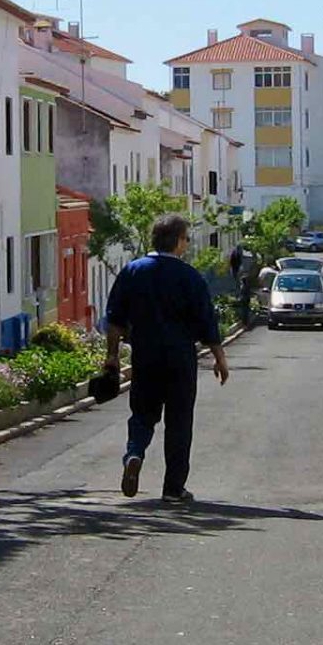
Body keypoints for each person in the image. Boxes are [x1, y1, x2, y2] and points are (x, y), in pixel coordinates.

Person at [102, 213, 230, 503]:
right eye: (186, 238)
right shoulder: (190, 277)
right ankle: (173, 488)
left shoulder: (133, 271)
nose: (187, 244)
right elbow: (207, 322)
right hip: (181, 360)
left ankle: (134, 453)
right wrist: (220, 358)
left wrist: (111, 356)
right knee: (179, 422)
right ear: (177, 242)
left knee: (143, 414)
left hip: (145, 356)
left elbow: (115, 319)